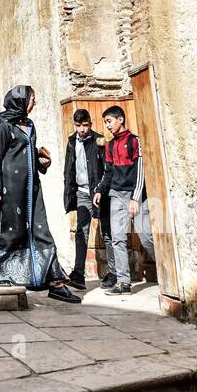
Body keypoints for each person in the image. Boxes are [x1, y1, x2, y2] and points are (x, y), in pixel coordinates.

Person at [0, 85, 80, 303]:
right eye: (32, 99)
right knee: (13, 231)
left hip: (32, 189)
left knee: (41, 230)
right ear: (20, 102)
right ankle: (2, 273)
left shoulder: (30, 125)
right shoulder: (4, 126)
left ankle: (54, 281)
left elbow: (30, 155)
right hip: (11, 189)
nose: (34, 103)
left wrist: (41, 162)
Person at [92, 105, 155, 295]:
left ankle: (166, 271)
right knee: (118, 239)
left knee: (146, 236)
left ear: (120, 119)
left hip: (135, 196)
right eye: (105, 122)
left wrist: (136, 198)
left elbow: (140, 171)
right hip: (116, 196)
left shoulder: (135, 141)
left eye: (109, 121)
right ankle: (123, 282)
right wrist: (100, 190)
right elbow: (108, 172)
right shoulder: (110, 145)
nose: (107, 126)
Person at [63, 108, 114, 290]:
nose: (82, 129)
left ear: (90, 124)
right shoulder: (71, 142)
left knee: (107, 232)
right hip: (81, 193)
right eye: (78, 126)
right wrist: (69, 192)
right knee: (81, 232)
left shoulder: (100, 139)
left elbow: (109, 165)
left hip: (100, 193)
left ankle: (113, 272)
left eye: (85, 125)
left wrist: (103, 188)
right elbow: (69, 169)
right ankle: (78, 274)